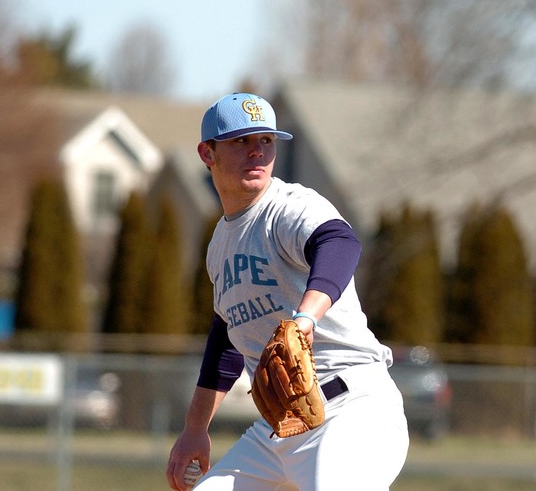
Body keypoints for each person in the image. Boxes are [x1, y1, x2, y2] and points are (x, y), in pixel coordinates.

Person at [165, 92, 409, 490]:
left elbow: (339, 243)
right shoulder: (220, 246)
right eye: (240, 141)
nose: (256, 152)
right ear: (207, 153)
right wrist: (195, 428)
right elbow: (227, 336)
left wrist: (305, 317)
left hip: (353, 411)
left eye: (265, 141)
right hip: (279, 427)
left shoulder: (288, 207)